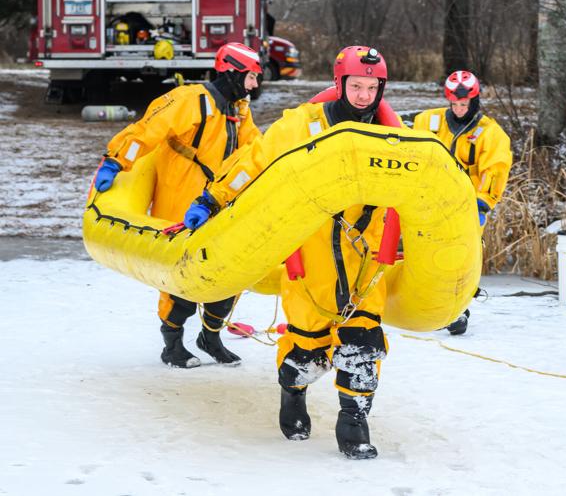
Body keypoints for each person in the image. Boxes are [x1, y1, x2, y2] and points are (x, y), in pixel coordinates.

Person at [185, 46, 399, 459]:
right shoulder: (304, 125)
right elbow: (256, 160)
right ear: (339, 84)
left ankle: (353, 420)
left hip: (364, 253)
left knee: (365, 340)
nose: (363, 96)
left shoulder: (393, 135)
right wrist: (213, 198)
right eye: (356, 86)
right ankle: (293, 391)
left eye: (372, 87)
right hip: (311, 248)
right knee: (307, 343)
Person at [93, 42, 263, 368]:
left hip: (218, 207)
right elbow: (147, 131)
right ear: (232, 73)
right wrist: (116, 161)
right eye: (251, 77)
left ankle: (210, 338)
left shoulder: (240, 112)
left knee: (227, 274)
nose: (255, 84)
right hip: (179, 207)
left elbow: (256, 152)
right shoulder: (188, 100)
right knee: (180, 280)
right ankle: (172, 345)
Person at [412, 70, 512, 335]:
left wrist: (481, 205)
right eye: (454, 104)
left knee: (460, 260)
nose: (458, 110)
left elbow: (496, 170)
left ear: (474, 101)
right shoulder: (428, 122)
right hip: (430, 204)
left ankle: (459, 310)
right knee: (427, 257)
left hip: (466, 208)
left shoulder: (490, 134)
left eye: (463, 105)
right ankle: (434, 306)